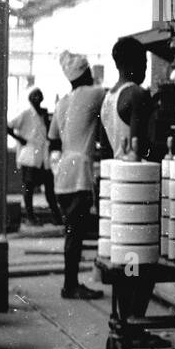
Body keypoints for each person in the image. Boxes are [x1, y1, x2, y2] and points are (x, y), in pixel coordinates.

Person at [101, 36, 157, 318]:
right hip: (137, 188)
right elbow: (139, 149)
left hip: (116, 188)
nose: (146, 68)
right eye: (144, 62)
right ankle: (136, 320)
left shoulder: (108, 97)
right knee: (144, 257)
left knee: (125, 256)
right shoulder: (136, 94)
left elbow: (107, 150)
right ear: (133, 63)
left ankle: (125, 317)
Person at [49, 52, 106, 299]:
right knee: (75, 234)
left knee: (72, 232)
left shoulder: (61, 103)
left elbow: (53, 140)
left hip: (62, 174)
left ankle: (70, 283)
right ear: (86, 73)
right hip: (80, 174)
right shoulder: (96, 94)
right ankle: (70, 286)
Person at [9, 88, 60, 224]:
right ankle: (30, 217)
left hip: (43, 157)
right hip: (30, 157)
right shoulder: (25, 114)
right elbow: (8, 126)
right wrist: (20, 139)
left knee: (49, 187)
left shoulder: (43, 114)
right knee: (29, 188)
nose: (38, 99)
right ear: (30, 99)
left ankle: (56, 215)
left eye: (39, 96)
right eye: (35, 96)